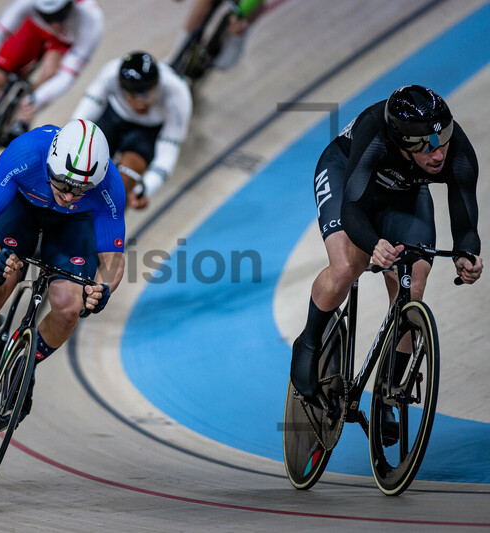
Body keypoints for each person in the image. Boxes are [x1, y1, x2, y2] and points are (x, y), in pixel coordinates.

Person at [290, 85, 483, 440]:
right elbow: (353, 209)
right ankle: (309, 342)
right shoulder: (375, 135)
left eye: (443, 139)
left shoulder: (456, 151)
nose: (438, 152)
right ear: (402, 142)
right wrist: (373, 245)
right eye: (426, 145)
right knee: (349, 265)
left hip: (404, 194)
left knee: (413, 287)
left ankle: (389, 394)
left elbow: (465, 219)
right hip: (345, 175)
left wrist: (467, 254)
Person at [0, 119, 126, 437]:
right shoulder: (27, 151)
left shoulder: (108, 186)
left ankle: (25, 366)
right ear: (50, 163)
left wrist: (102, 288)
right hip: (23, 208)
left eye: (80, 189)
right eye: (62, 183)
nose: (69, 195)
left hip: (73, 227)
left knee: (68, 305)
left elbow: (112, 257)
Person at [0, 0, 104, 170]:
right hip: (34, 28)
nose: (53, 22)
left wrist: (34, 101)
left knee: (50, 74)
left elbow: (66, 75)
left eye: (59, 15)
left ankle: (19, 115)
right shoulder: (28, 4)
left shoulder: (91, 20)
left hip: (64, 42)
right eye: (48, 16)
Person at [71, 51, 192, 209]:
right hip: (115, 116)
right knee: (82, 162)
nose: (140, 103)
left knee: (122, 187)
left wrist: (145, 188)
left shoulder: (177, 94)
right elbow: (81, 118)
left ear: (157, 86)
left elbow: (168, 152)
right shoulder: (110, 73)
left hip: (148, 130)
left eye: (146, 95)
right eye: (132, 96)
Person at [168, 0, 264, 76]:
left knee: (255, 9)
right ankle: (174, 56)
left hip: (225, 59)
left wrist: (238, 35)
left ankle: (174, 58)